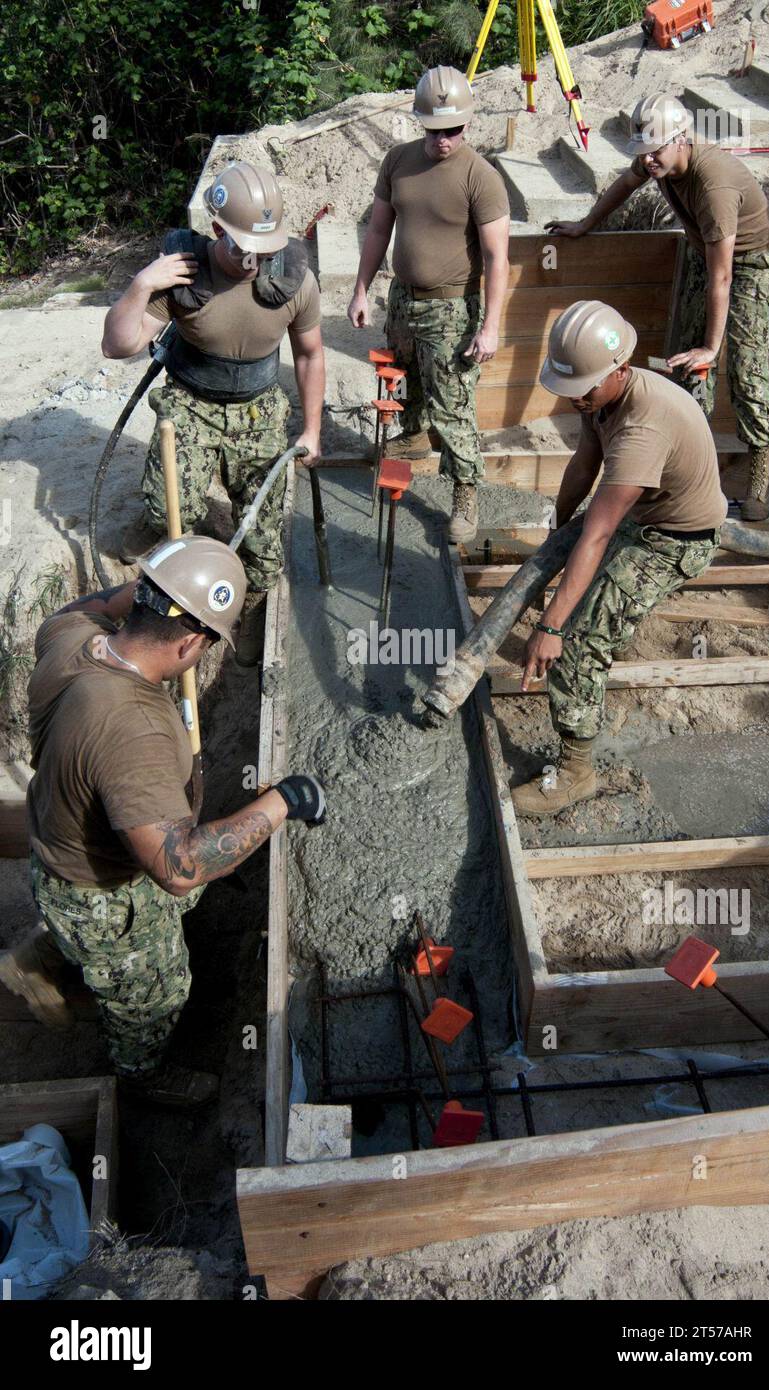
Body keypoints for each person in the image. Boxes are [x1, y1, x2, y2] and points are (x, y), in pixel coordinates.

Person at [2, 537, 325, 1106]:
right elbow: (181, 866)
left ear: (144, 598)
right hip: (103, 895)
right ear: (193, 644)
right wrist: (285, 801)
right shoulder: (135, 731)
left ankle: (49, 952)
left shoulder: (69, 635)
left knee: (152, 919)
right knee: (154, 995)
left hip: (62, 851)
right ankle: (141, 1073)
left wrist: (169, 580)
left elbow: (100, 605)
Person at [102, 160, 325, 663]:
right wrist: (141, 285)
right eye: (245, 248)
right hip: (191, 401)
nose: (255, 262)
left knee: (265, 549)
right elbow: (117, 346)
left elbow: (311, 355)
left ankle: (246, 609)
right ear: (217, 229)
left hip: (260, 410)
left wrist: (312, 428)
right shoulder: (182, 273)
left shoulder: (293, 279)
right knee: (169, 509)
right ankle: (165, 534)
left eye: (265, 250)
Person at [511, 300, 727, 817]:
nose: (576, 399)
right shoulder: (599, 398)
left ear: (621, 369)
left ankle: (575, 772)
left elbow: (601, 531)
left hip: (675, 538)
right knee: (580, 583)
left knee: (579, 642)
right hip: (644, 514)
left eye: (584, 389)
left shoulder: (642, 429)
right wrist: (556, 534)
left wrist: (553, 625)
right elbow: (585, 465)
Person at [546, 94, 769, 521]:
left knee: (747, 370)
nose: (648, 161)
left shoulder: (715, 186)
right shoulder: (658, 158)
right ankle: (692, 461)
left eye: (655, 152)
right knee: (682, 361)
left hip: (749, 264)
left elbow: (723, 277)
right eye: (643, 153)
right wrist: (585, 225)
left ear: (682, 139)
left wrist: (712, 346)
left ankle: (759, 478)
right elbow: (623, 185)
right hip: (703, 253)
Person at [348, 65, 510, 543]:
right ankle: (414, 434)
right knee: (407, 377)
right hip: (403, 300)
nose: (444, 139)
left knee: (453, 406)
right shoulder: (398, 161)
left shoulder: (481, 177)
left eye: (453, 130)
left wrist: (491, 326)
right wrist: (361, 288)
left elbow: (499, 258)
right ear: (421, 123)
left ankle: (465, 491)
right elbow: (379, 228)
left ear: (468, 123)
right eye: (435, 130)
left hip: (453, 308)